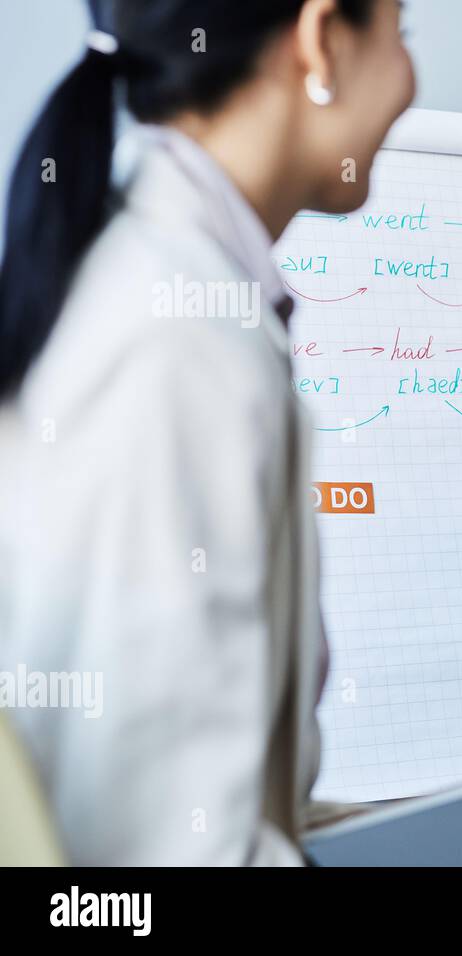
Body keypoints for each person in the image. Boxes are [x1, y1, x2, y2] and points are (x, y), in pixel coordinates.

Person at [0, 0, 413, 864]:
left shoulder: (165, 279)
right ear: (323, 37)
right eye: (400, 35)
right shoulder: (175, 344)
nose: (411, 85)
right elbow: (163, 853)